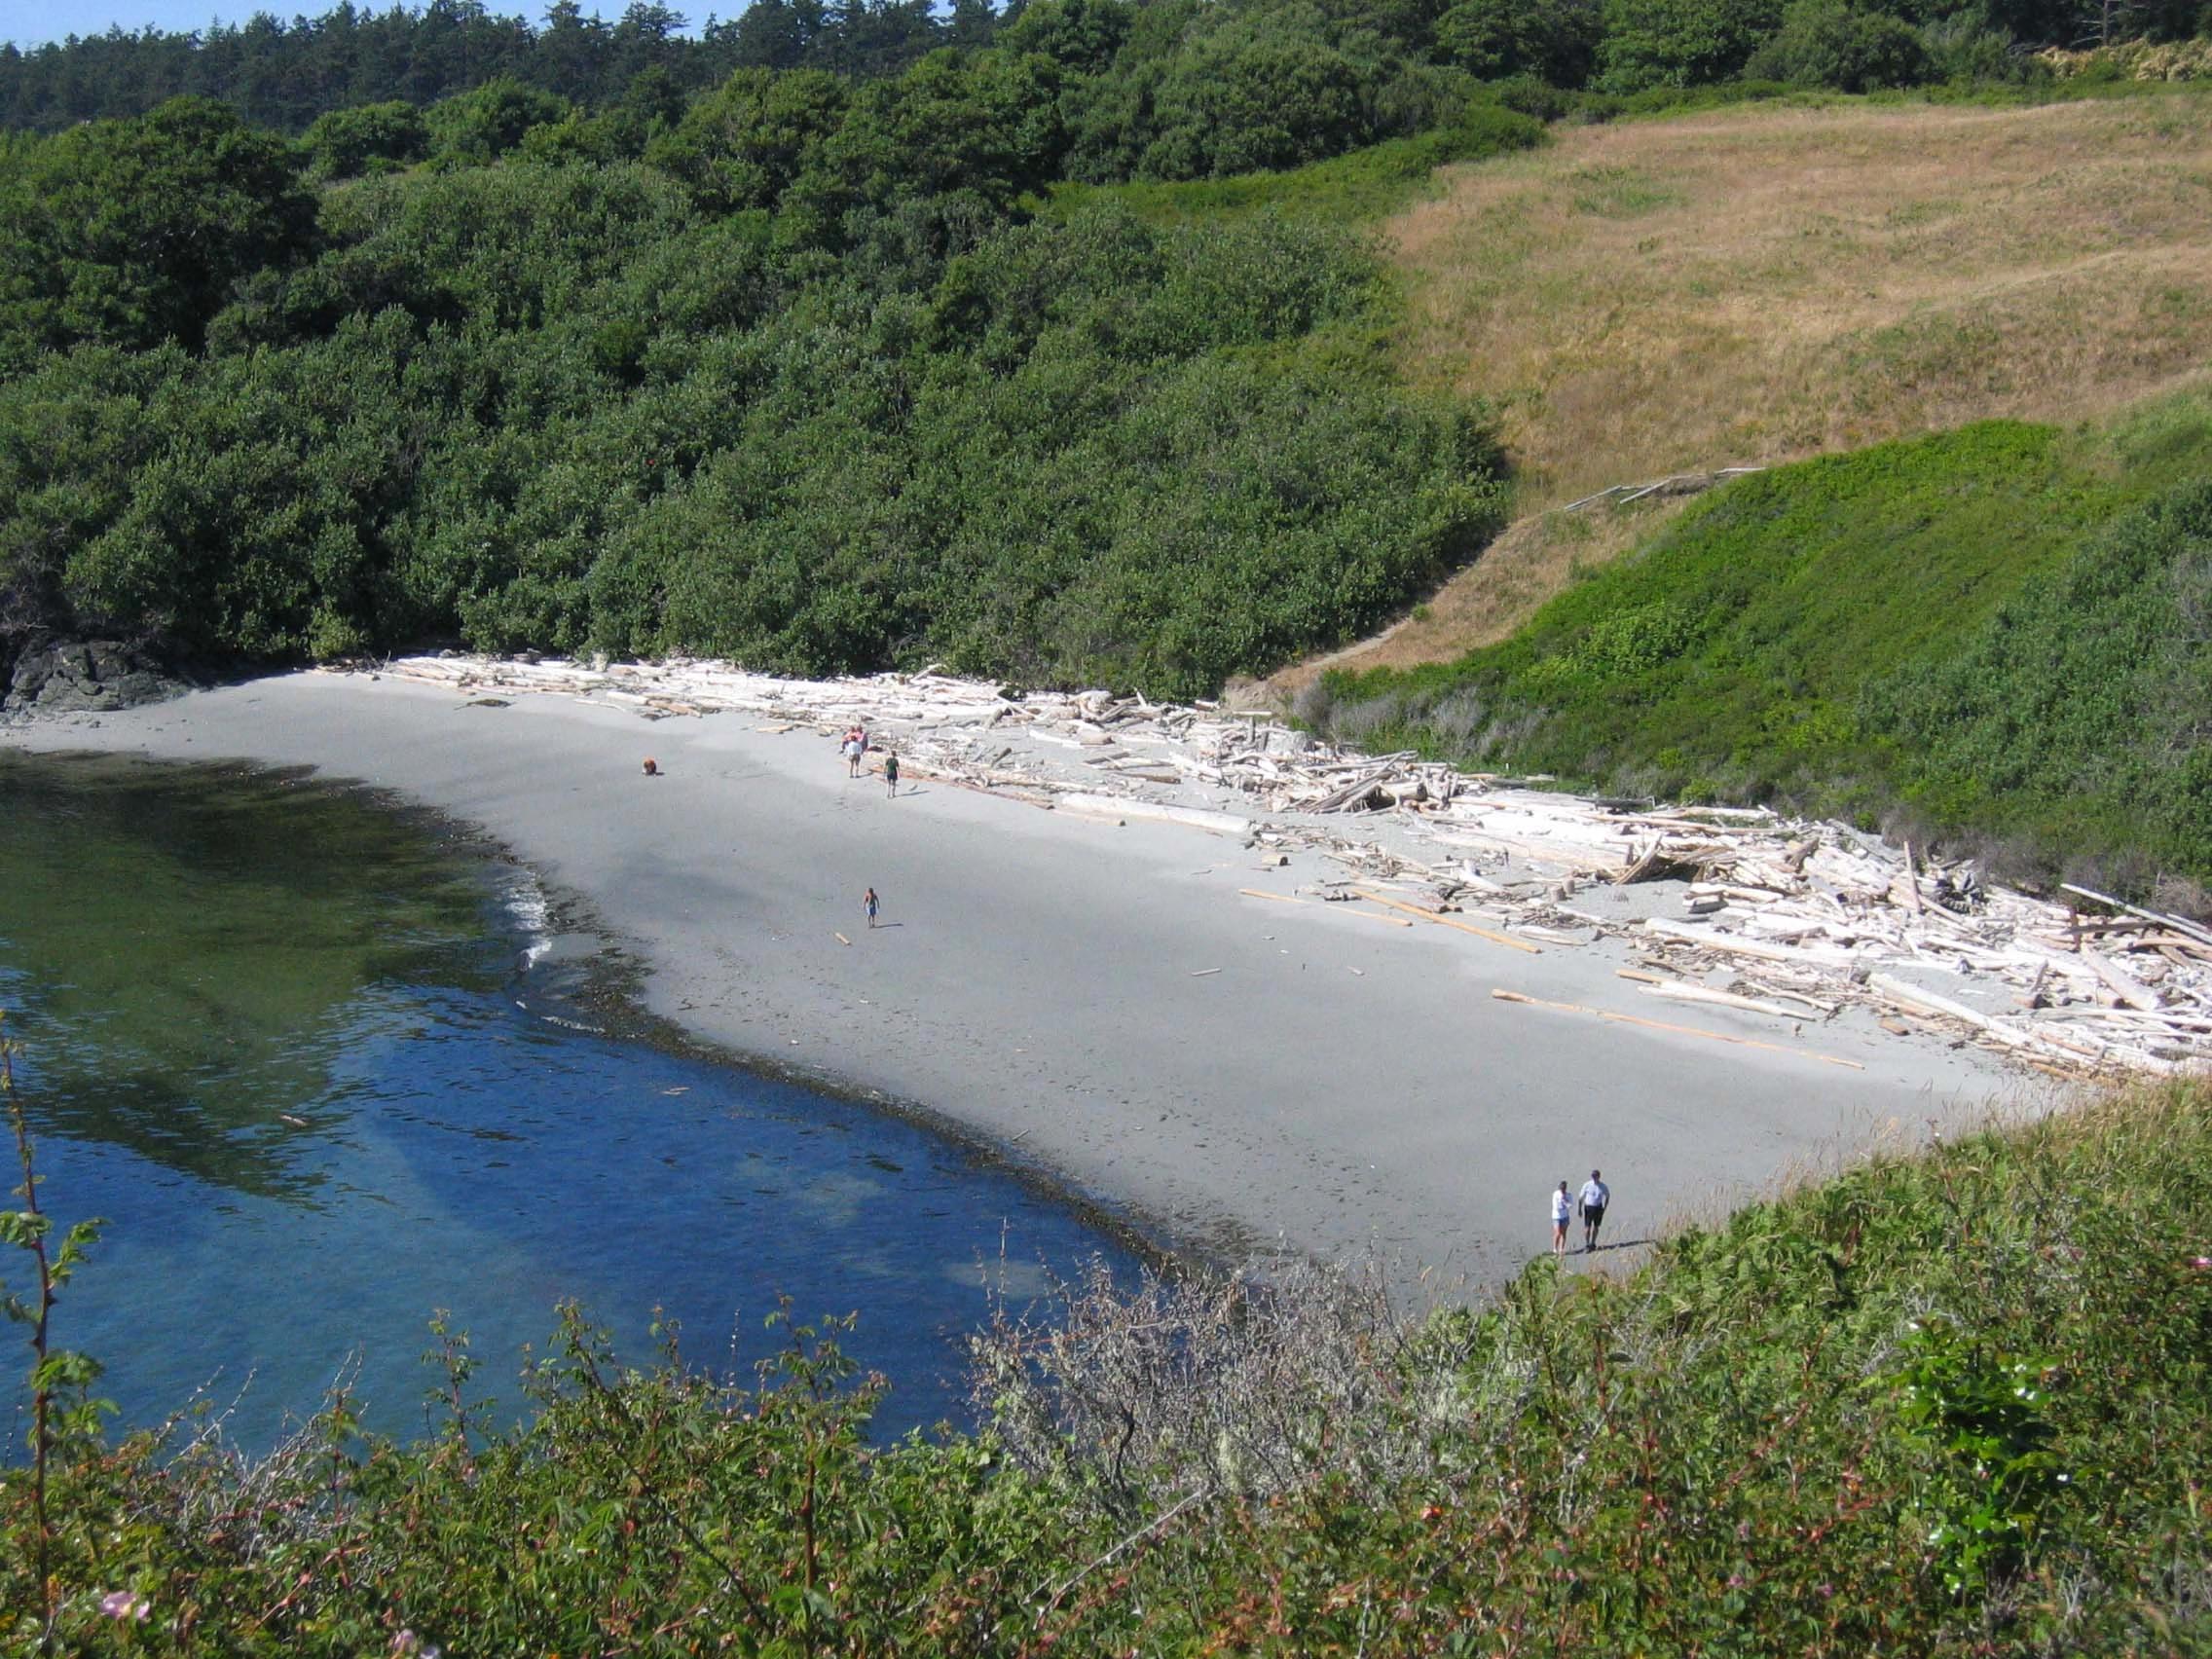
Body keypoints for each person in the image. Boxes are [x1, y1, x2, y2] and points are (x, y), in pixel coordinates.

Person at [1578, 1169, 1610, 1253]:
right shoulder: (1587, 1185)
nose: (1594, 1178)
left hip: (1598, 1208)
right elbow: (1581, 1197)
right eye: (1593, 1176)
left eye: (1596, 1176)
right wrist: (1579, 1209)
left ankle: (1593, 1242)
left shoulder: (1603, 1186)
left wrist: (1604, 1208)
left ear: (1599, 1176)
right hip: (1589, 1207)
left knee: (1596, 1226)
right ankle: (1587, 1243)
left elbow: (1607, 1196)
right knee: (1587, 1227)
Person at [1551, 1181, 1572, 1258]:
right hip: (1557, 1216)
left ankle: (1561, 1249)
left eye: (1564, 1188)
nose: (1562, 1190)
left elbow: (1570, 1205)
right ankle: (1554, 1248)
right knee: (1558, 1232)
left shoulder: (1568, 1195)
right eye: (1561, 1188)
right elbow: (1556, 1206)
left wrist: (1565, 1201)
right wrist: (1563, 1202)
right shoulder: (1556, 1194)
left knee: (1563, 1233)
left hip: (1565, 1216)